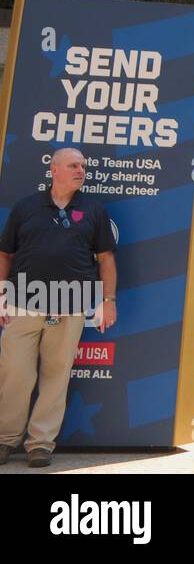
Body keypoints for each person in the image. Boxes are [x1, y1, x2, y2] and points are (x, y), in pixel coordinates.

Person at [0, 148, 117, 468]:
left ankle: (40, 444)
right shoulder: (26, 207)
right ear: (54, 170)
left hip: (71, 306)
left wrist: (108, 301)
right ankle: (5, 439)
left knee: (57, 375)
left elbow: (106, 259)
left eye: (83, 166)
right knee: (15, 375)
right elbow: (5, 254)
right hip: (22, 303)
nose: (81, 170)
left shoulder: (93, 209)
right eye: (74, 165)